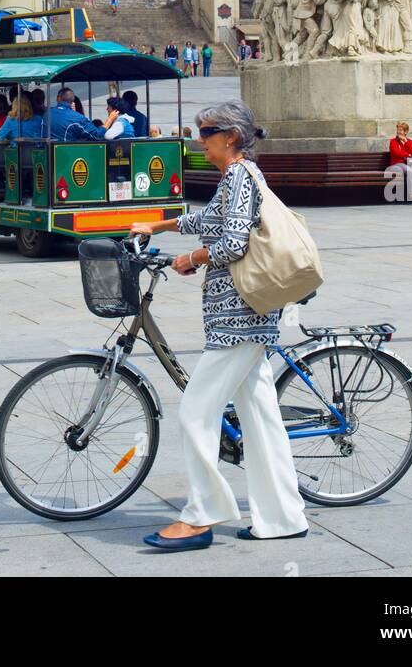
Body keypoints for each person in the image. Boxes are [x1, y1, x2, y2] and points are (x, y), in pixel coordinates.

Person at [130, 100, 309, 551]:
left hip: (241, 318)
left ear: (230, 137)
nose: (199, 142)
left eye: (205, 133)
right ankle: (284, 517)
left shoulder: (241, 176)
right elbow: (210, 220)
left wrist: (189, 258)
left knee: (195, 411)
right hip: (242, 316)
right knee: (260, 416)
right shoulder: (237, 177)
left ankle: (201, 517)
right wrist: (161, 225)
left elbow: (231, 241)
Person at [46, 87, 111, 142]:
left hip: (47, 151)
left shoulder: (45, 114)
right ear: (72, 100)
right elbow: (97, 135)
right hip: (67, 153)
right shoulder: (78, 118)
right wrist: (110, 119)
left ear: (58, 98)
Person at [389, 121, 412, 203]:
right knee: (409, 170)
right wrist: (407, 154)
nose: (399, 132)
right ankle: (411, 194)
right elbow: (396, 152)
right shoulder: (393, 141)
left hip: (408, 163)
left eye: (401, 130)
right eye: (398, 130)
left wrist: (406, 142)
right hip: (396, 164)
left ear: (406, 132)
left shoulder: (409, 141)